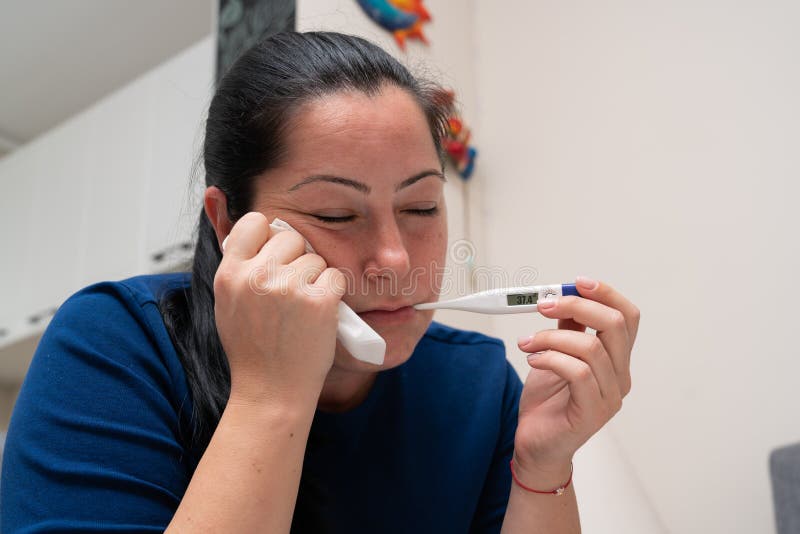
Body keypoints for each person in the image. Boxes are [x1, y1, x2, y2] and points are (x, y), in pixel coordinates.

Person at [0, 31, 639, 533]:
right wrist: (272, 396)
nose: (394, 259)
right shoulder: (113, 345)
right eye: (336, 215)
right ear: (228, 222)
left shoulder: (478, 385)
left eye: (421, 208)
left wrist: (542, 467)